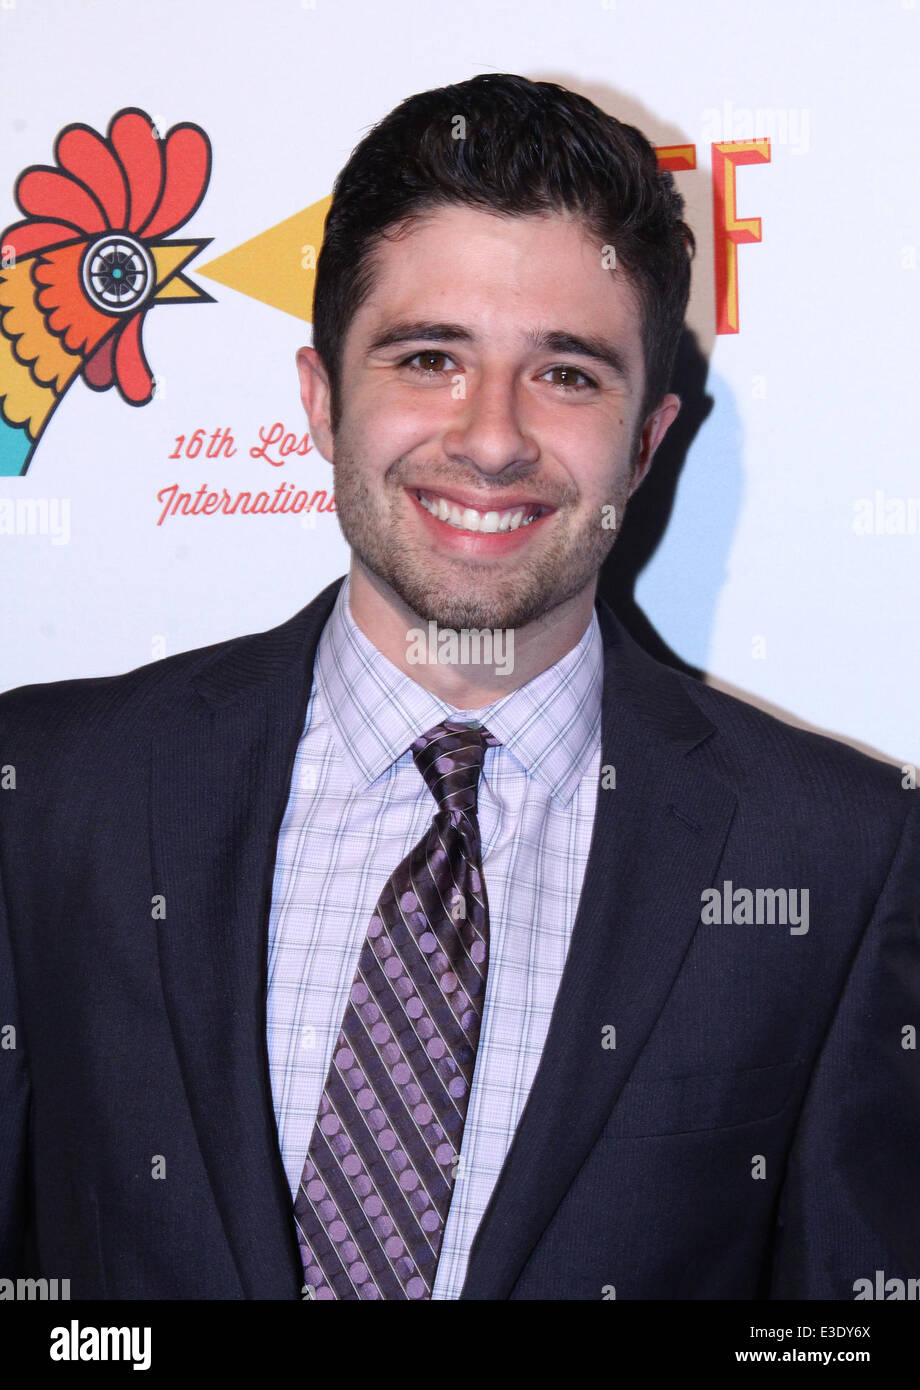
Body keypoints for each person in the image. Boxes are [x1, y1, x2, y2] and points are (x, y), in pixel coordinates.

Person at [1, 72, 917, 1302]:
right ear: (321, 399)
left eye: (567, 374)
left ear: (645, 442)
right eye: (429, 357)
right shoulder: (50, 793)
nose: (490, 437)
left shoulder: (837, 856)